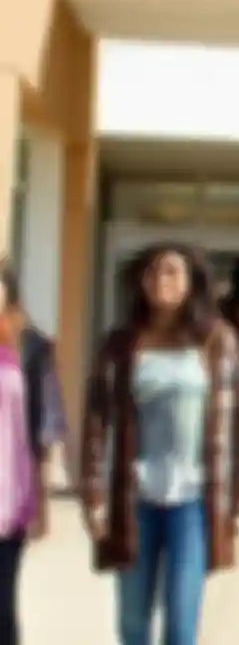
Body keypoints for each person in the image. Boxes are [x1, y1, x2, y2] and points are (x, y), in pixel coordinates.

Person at [80, 243, 239, 645]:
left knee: (181, 624)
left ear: (192, 282)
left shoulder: (217, 340)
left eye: (172, 272)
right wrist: (93, 496)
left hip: (193, 500)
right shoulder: (121, 344)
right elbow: (96, 421)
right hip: (134, 498)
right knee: (133, 623)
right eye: (154, 273)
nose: (162, 281)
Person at [0, 259, 63, 645]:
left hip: (9, 499)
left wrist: (43, 499)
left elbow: (46, 426)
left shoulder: (31, 346)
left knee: (2, 607)